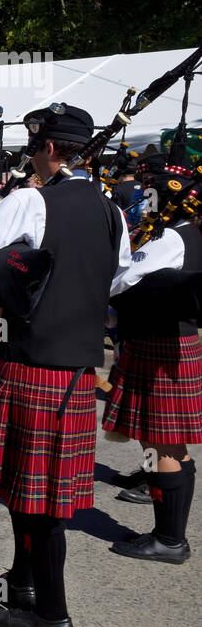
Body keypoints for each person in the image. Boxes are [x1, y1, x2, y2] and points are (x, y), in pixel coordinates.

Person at [0, 105, 130, 627]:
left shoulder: (31, 200)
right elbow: (117, 281)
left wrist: (10, 280)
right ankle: (22, 582)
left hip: (30, 364)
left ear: (48, 148)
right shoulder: (112, 211)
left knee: (38, 504)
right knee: (33, 492)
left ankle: (52, 616)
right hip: (77, 370)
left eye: (34, 146)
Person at [102, 145, 200, 564]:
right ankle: (169, 530)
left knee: (161, 445)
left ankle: (169, 538)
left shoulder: (173, 235)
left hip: (158, 342)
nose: (145, 196)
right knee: (170, 445)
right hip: (175, 341)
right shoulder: (191, 231)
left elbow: (123, 281)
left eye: (151, 190)